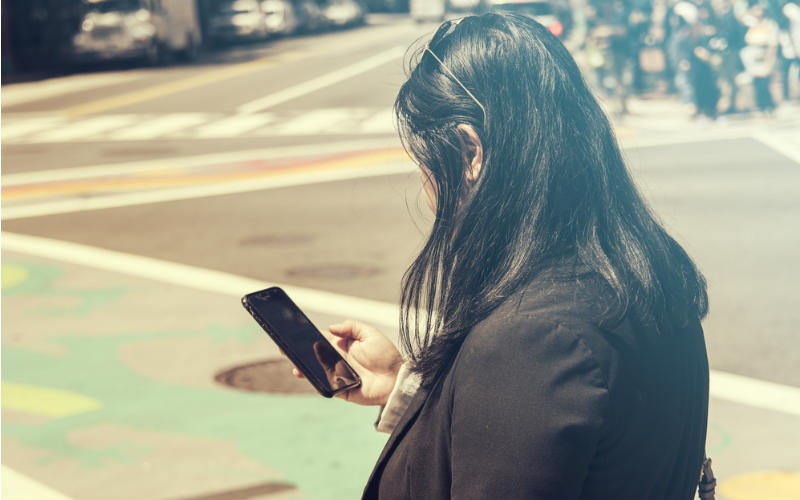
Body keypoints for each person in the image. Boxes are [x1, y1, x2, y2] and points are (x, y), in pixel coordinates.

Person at [296, 12, 712, 499]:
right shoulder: (643, 267)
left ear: (469, 151)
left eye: (425, 164)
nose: (428, 188)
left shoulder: (532, 340)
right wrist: (405, 388)